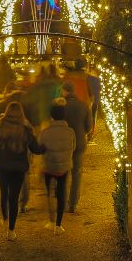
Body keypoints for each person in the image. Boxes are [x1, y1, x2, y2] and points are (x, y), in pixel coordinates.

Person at [0, 101, 43, 240]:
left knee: (3, 193)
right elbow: (36, 149)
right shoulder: (25, 129)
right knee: (14, 197)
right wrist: (46, 146)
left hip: (1, 165)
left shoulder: (0, 126)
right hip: (18, 167)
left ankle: (4, 218)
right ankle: (11, 230)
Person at [37, 103, 76, 234]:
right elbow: (73, 147)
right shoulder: (71, 132)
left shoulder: (45, 133)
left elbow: (39, 147)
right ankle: (59, 225)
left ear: (51, 117)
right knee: (61, 193)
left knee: (49, 193)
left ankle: (51, 220)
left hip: (49, 166)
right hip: (64, 167)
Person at [62, 81, 93, 214]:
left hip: (64, 143)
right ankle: (73, 203)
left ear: (65, 91)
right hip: (79, 143)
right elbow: (89, 126)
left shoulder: (61, 106)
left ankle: (61, 201)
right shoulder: (83, 105)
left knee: (62, 173)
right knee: (76, 173)